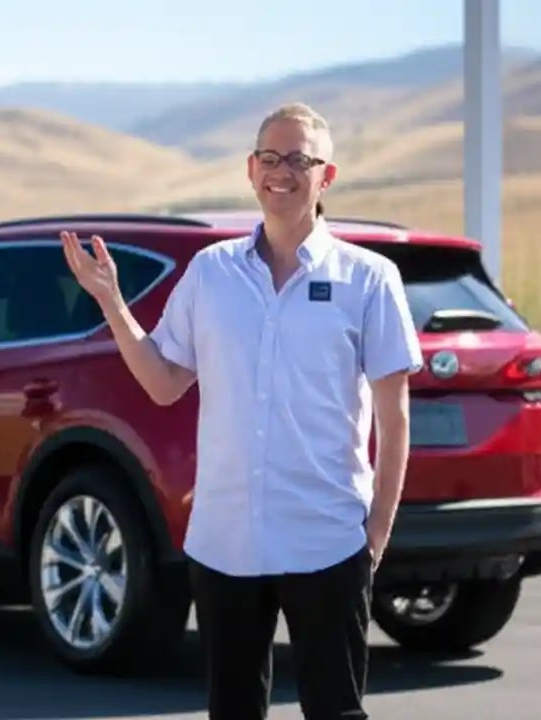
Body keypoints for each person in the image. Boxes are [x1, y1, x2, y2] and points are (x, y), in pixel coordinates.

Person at [61, 102, 423, 719]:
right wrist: (112, 300)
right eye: (271, 158)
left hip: (327, 540)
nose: (282, 172)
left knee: (335, 711)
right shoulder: (211, 273)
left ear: (326, 176)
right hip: (225, 543)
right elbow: (164, 381)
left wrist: (375, 537)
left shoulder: (369, 279)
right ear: (251, 170)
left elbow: (394, 421)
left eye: (299, 160)